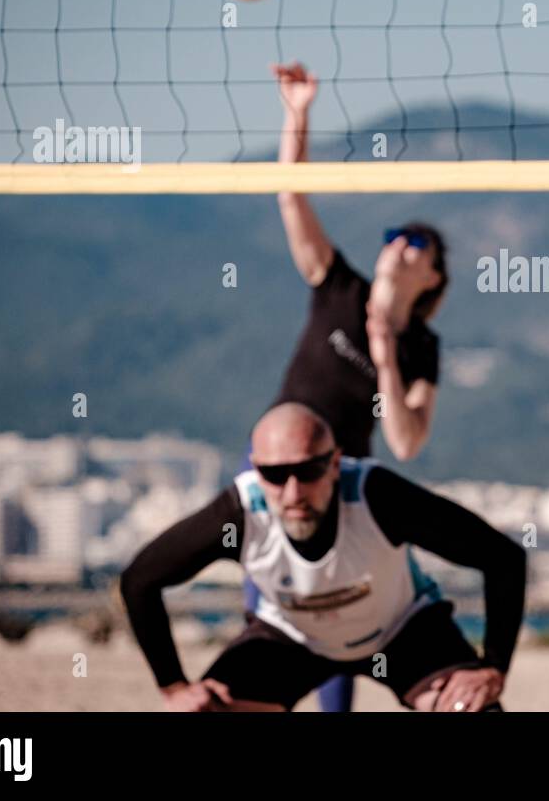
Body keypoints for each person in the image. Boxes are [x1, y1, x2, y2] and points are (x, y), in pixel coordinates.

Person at [240, 61, 449, 711]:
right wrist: (298, 112)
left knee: (342, 623)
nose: (398, 246)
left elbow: (407, 441)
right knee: (271, 614)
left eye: (416, 241)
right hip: (276, 466)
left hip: (345, 479)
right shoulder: (340, 287)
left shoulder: (421, 348)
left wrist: (387, 358)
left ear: (434, 277)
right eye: (393, 236)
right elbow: (290, 197)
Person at [123, 403, 525, 712]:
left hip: (401, 632)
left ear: (335, 463)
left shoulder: (377, 497)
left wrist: (494, 667)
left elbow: (502, 557)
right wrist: (174, 686)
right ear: (257, 471)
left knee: (472, 707)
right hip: (291, 641)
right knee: (204, 710)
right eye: (277, 476)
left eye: (309, 470)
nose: (294, 492)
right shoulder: (240, 514)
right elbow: (140, 580)